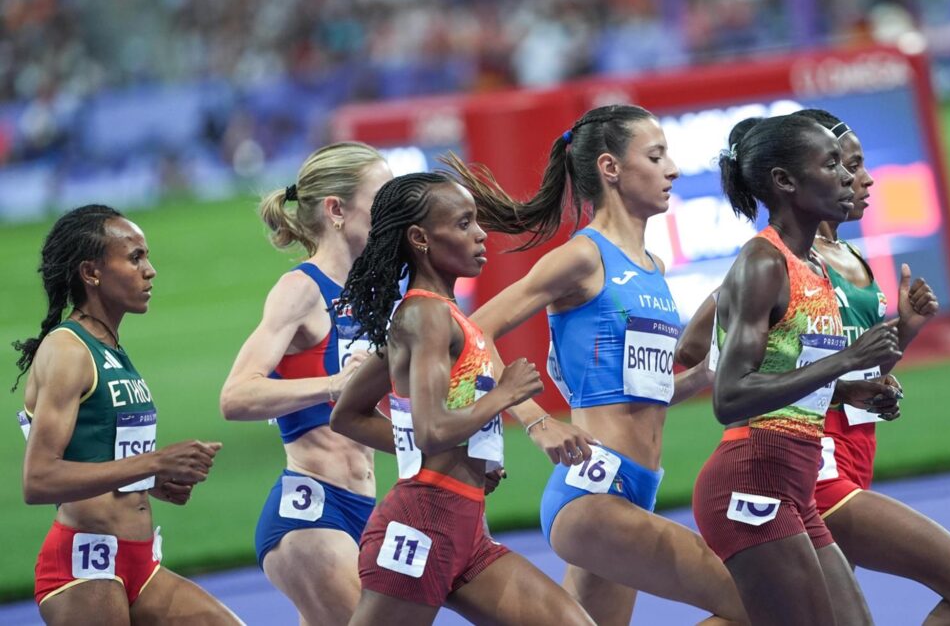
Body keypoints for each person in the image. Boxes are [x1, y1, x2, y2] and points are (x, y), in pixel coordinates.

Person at [442, 104, 749, 625]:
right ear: (609, 168)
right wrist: (536, 421)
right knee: (760, 604)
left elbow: (639, 392)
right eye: (655, 156)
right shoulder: (584, 257)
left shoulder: (653, 266)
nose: (672, 169)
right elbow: (469, 331)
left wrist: (699, 376)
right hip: (593, 493)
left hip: (635, 489)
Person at [330, 172, 595, 625]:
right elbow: (431, 430)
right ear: (420, 238)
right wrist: (504, 395)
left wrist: (466, 454)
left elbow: (349, 416)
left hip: (465, 529)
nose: (480, 234)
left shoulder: (434, 314)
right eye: (464, 224)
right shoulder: (424, 314)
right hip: (422, 524)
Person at [690, 113, 907, 625]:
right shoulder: (763, 263)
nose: (848, 178)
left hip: (793, 484)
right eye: (831, 165)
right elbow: (731, 397)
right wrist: (846, 360)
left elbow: (787, 375)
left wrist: (849, 389)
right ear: (785, 182)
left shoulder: (812, 266)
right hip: (751, 480)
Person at [795, 108, 950, 624]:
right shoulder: (786, 260)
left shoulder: (850, 257)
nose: (864, 179)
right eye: (852, 165)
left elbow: (853, 370)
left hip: (854, 454)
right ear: (819, 169)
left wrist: (905, 330)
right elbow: (749, 375)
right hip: (817, 468)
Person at [12, 204, 239, 625]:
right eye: (135, 257)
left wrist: (152, 480)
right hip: (86, 566)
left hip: (139, 561)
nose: (149, 270)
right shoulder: (68, 350)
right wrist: (153, 461)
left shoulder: (110, 348)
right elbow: (38, 479)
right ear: (91, 272)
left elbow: (96, 454)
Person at [219, 142, 393, 624]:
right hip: (310, 514)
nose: (394, 212)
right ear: (336, 210)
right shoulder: (300, 290)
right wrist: (333, 384)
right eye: (383, 199)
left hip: (361, 510)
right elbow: (236, 396)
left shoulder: (368, 293)